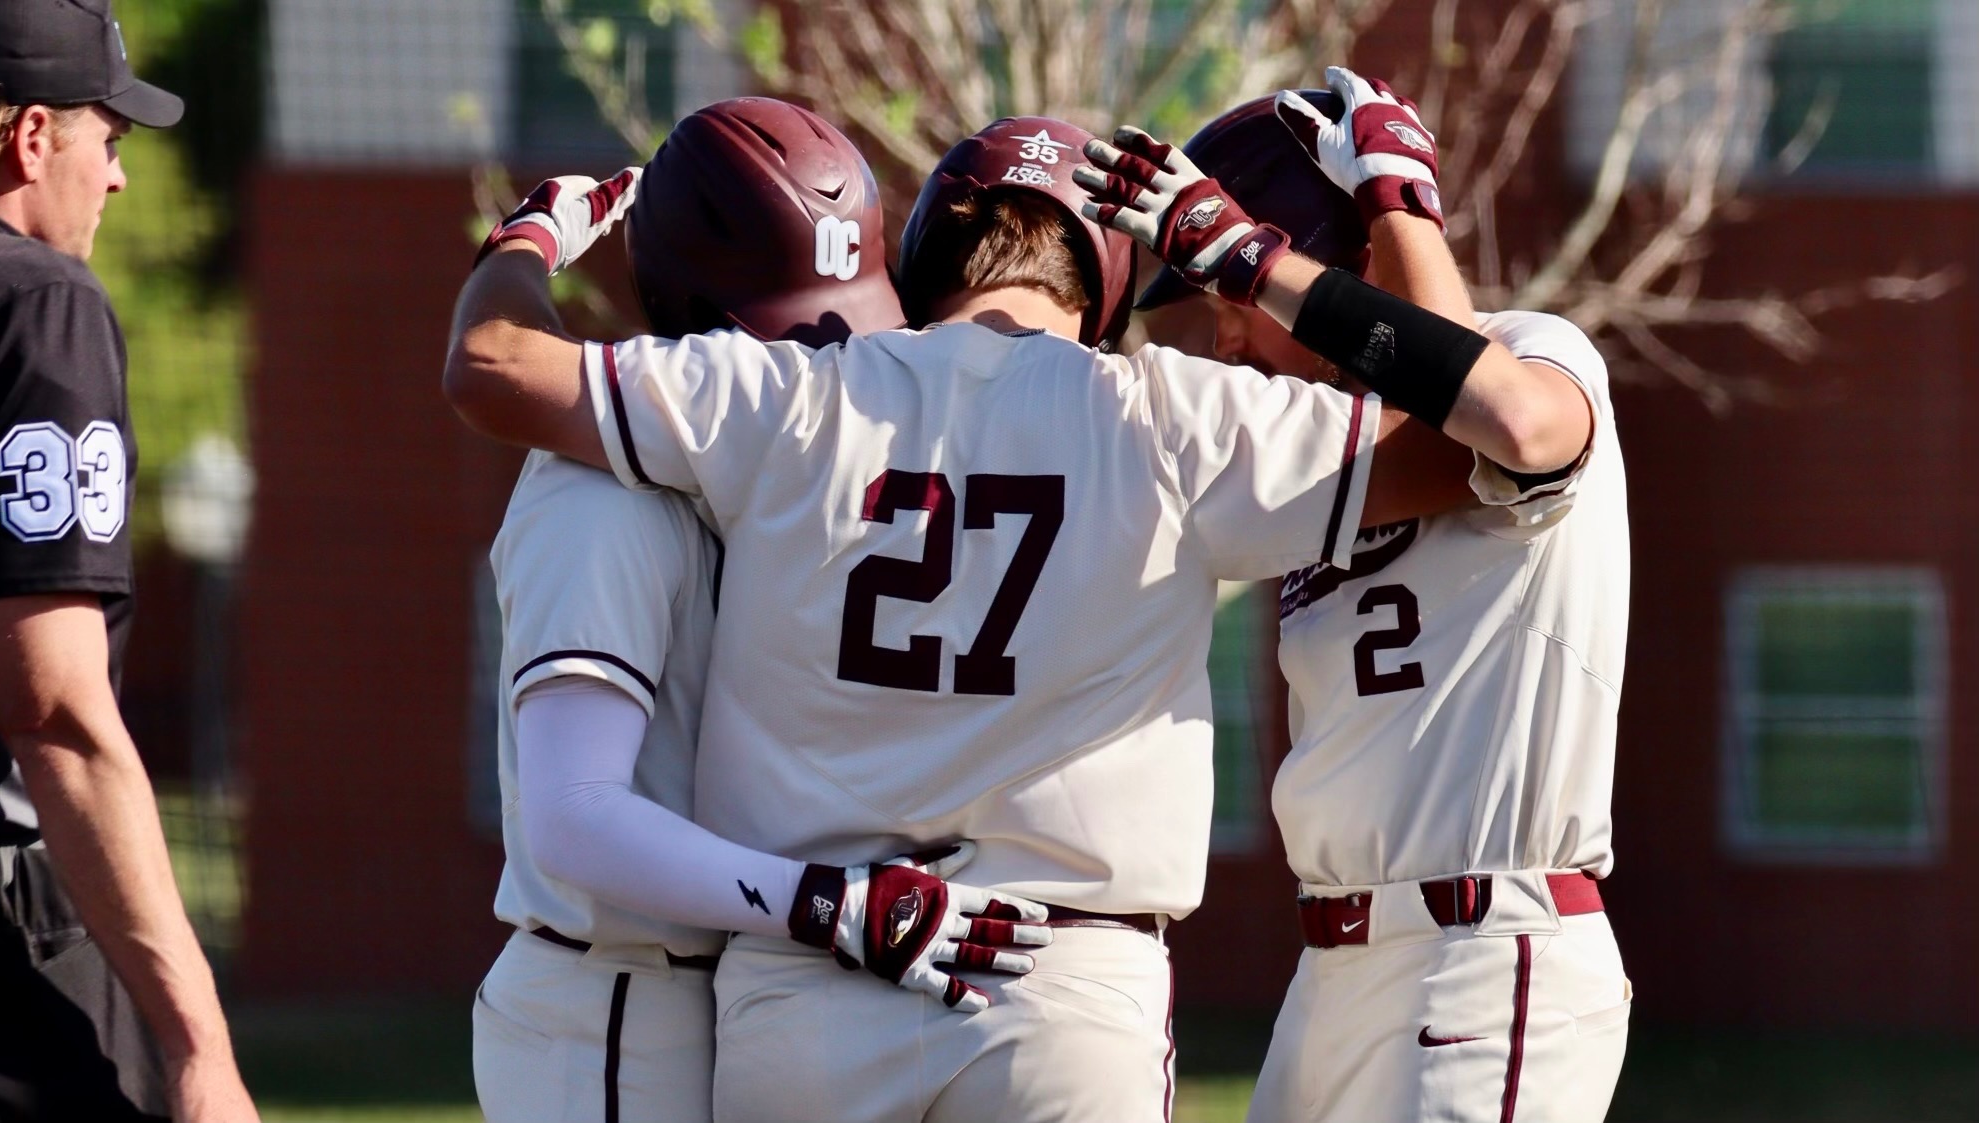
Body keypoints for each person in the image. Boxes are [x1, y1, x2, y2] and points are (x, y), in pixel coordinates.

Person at [444, 110, 1491, 1120]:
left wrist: (526, 242)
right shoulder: (1171, 417)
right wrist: (1351, 233)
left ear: (915, 260)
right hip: (1062, 985)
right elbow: (1490, 431)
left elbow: (492, 364)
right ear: (1104, 290)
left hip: (810, 981)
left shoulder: (786, 393)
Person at [470, 97, 1049, 1123]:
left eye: (846, 327)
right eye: (790, 332)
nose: (826, 360)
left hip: (749, 988)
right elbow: (572, 816)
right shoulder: (598, 490)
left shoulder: (785, 465)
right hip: (611, 1009)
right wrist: (826, 901)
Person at [1091, 69, 1630, 1122]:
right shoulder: (1310, 451)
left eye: (1230, 299)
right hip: (1333, 971)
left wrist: (1339, 233)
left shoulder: (1534, 351)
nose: (1231, 334)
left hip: (1487, 944)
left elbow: (1506, 427)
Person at [0, 2, 259, 1121]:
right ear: (32, 137)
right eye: (111, 139)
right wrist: (197, 1042)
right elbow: (51, 705)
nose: (118, 179)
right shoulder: (33, 302)